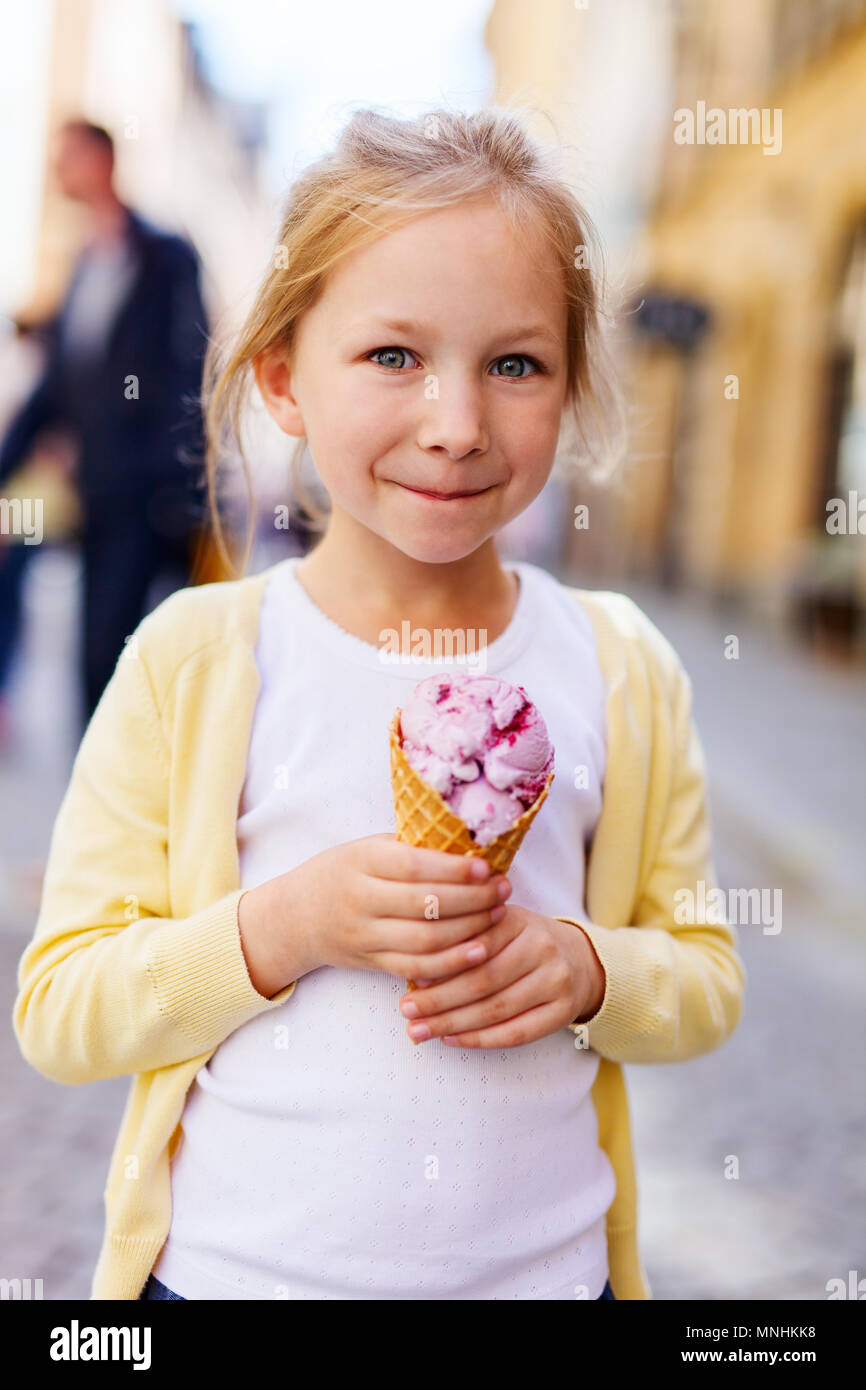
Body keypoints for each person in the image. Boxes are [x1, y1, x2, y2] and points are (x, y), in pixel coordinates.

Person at [13, 107, 746, 1301]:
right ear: (281, 377)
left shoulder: (619, 666)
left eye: (514, 364)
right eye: (392, 356)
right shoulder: (198, 659)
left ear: (565, 391)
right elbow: (60, 1007)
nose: (454, 426)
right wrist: (277, 929)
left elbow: (704, 977)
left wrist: (587, 969)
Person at [0, 119, 210, 729]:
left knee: (131, 644)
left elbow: (188, 364)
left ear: (101, 160)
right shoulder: (84, 262)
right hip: (93, 486)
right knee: (93, 648)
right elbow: (59, 384)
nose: (56, 171)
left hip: (148, 491)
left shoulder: (164, 254)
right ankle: (100, 789)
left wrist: (176, 473)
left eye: (67, 157)